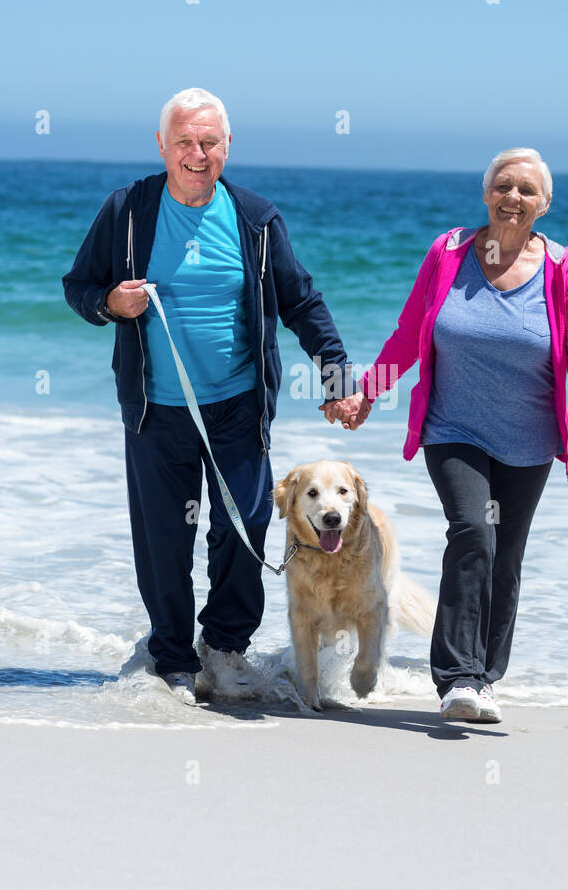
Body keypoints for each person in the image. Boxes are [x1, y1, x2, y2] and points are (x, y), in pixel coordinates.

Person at [63, 87, 356, 696]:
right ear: (162, 146)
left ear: (228, 146)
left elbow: (301, 300)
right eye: (185, 142)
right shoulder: (128, 210)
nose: (197, 154)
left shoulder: (257, 219)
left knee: (242, 524)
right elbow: (79, 285)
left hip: (238, 404)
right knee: (165, 533)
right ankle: (172, 657)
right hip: (155, 409)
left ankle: (224, 648)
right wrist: (110, 303)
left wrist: (335, 378)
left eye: (209, 142)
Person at [325, 148, 568, 723]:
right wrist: (367, 391)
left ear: (544, 204)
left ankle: (485, 678)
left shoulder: (563, 268)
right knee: (473, 534)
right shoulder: (449, 253)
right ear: (486, 194)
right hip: (454, 428)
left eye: (527, 190)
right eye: (504, 186)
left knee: (505, 558)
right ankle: (456, 677)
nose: (514, 198)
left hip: (528, 440)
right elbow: (411, 332)